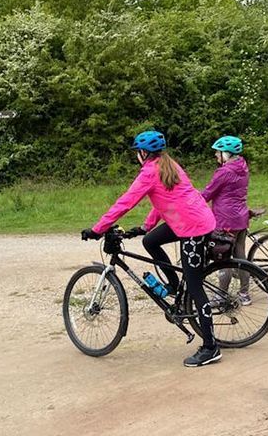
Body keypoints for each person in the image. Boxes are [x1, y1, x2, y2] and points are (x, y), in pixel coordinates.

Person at [82, 130, 220, 367]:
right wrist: (146, 227)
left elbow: (125, 203)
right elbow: (166, 199)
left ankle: (210, 347)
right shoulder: (170, 165)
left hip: (194, 228)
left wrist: (97, 229)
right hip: (190, 220)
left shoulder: (150, 172)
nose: (137, 155)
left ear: (143, 153)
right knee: (150, 241)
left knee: (195, 285)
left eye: (138, 152)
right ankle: (175, 286)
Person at [200, 135, 251, 306]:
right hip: (241, 218)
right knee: (240, 256)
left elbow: (207, 193)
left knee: (223, 258)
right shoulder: (243, 166)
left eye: (218, 152)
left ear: (227, 154)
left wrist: (191, 201)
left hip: (225, 220)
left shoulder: (224, 172)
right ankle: (244, 294)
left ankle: (221, 295)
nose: (216, 155)